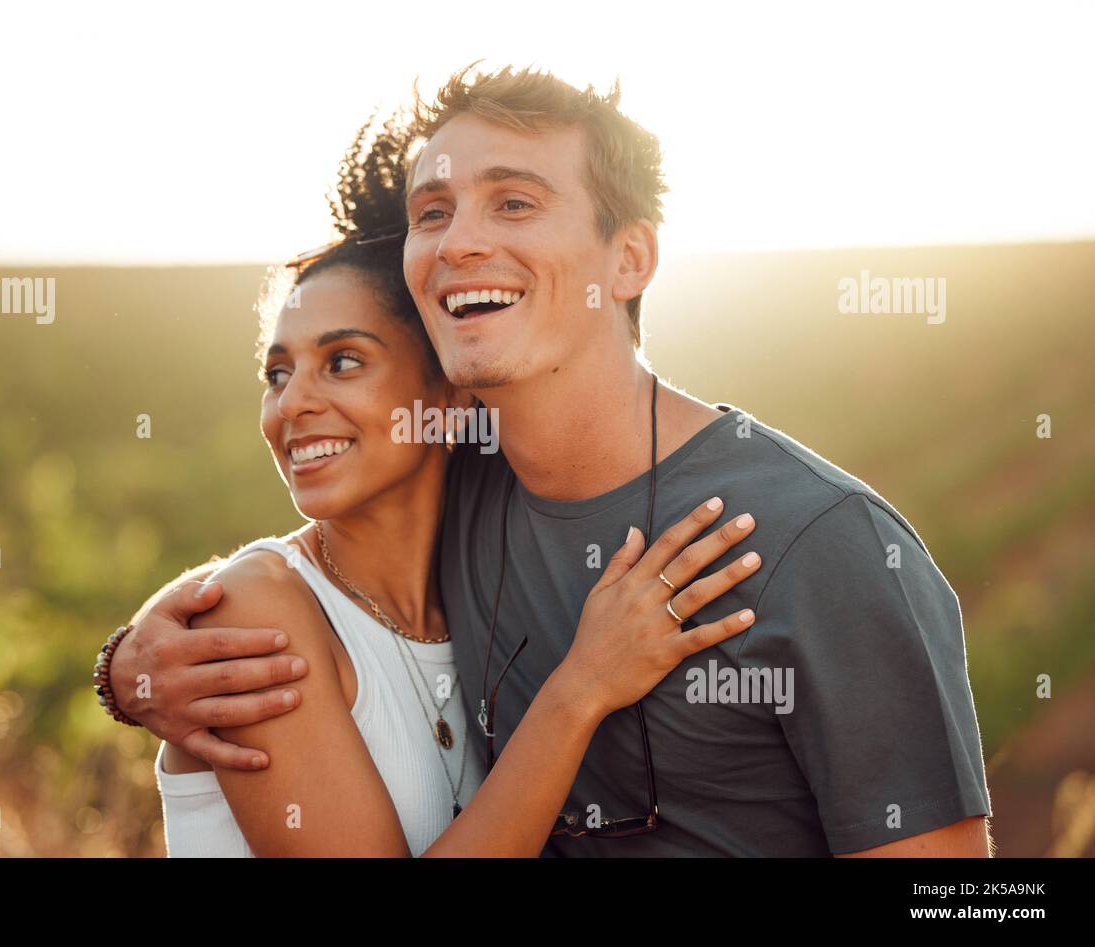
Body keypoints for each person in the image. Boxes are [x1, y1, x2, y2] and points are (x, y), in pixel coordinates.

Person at [104, 65, 992, 856]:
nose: (458, 243)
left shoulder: (818, 542)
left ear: (631, 257)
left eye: (515, 202)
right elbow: (304, 569)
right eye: (433, 214)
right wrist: (131, 661)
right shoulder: (468, 485)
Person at [126, 115, 763, 856]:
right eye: (277, 372)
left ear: (451, 391)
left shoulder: (481, 579)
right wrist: (582, 687)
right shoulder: (255, 608)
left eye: (343, 362)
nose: (291, 403)